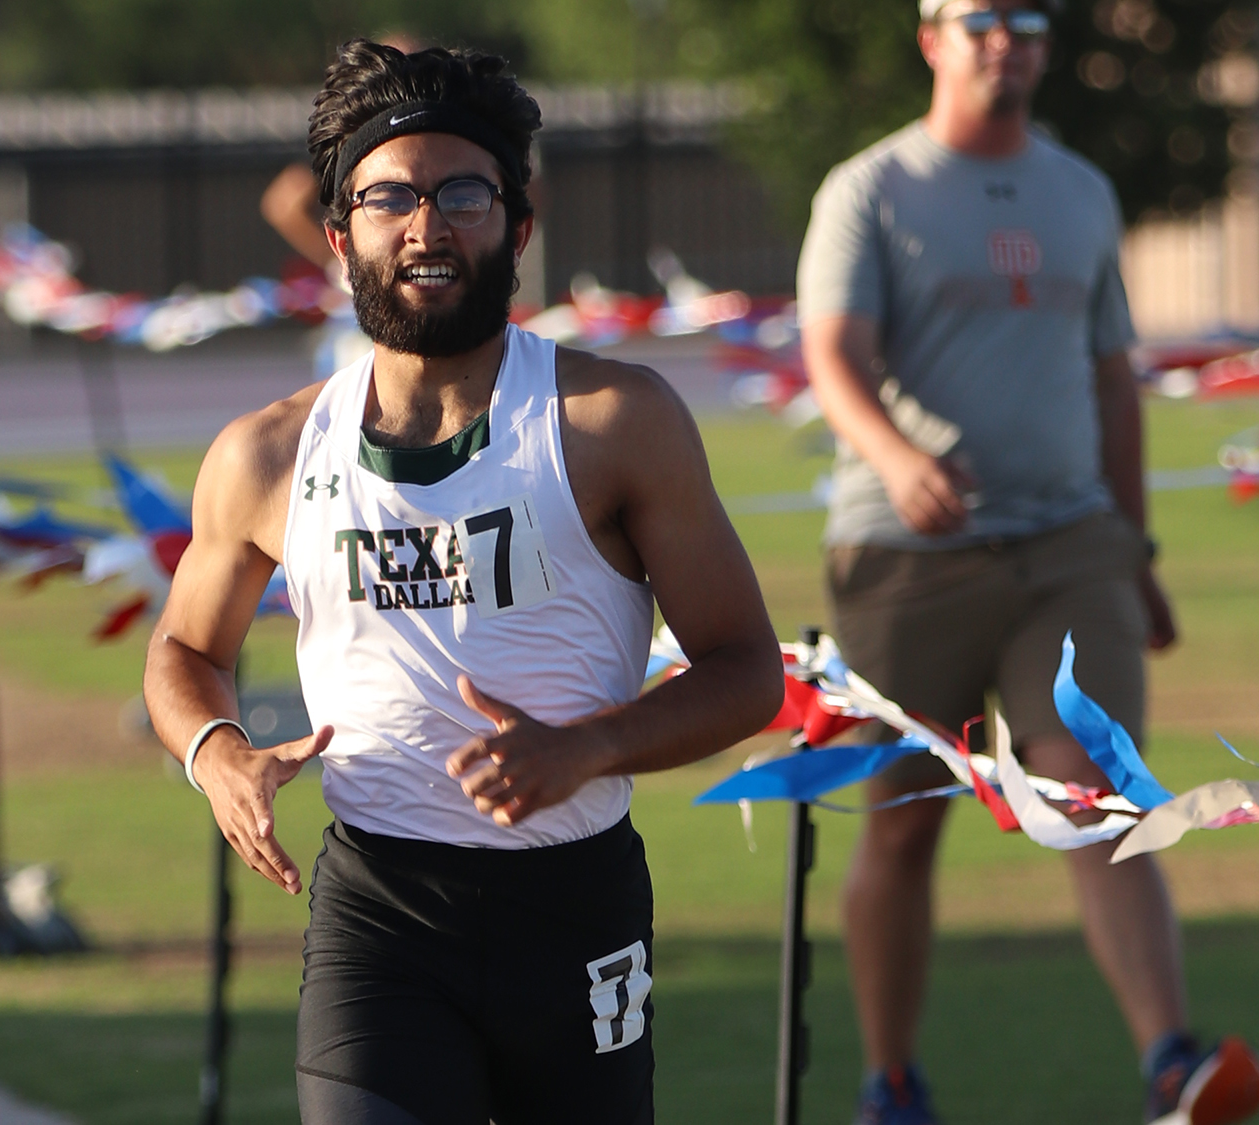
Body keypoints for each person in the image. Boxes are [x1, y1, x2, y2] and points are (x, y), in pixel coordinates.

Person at [144, 40, 784, 1125]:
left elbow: (745, 672)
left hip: (571, 906)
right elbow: (183, 654)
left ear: (517, 226)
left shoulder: (611, 423)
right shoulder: (265, 454)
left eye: (462, 193)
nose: (427, 225)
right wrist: (215, 756)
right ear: (338, 236)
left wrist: (585, 746)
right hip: (377, 914)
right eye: (389, 197)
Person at [795, 2, 1259, 1123]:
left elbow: (1111, 378)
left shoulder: (1078, 191)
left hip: (1070, 548)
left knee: (1096, 796)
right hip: (907, 554)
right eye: (975, 18)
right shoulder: (870, 189)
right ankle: (891, 1083)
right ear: (928, 39)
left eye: (1024, 17)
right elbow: (831, 354)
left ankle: (1170, 1066)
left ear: (1046, 45)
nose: (1000, 37)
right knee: (903, 820)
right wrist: (895, 456)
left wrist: (1135, 546)